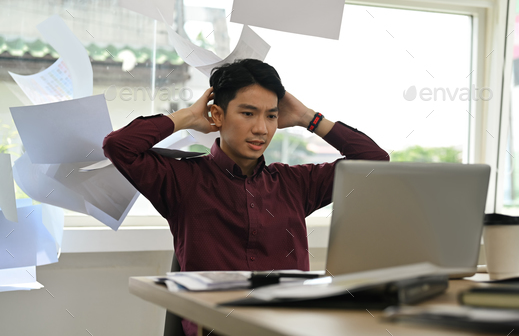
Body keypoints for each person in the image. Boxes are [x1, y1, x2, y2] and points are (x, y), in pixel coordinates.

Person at [102, 58, 390, 336]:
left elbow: (374, 160)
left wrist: (307, 118)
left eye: (271, 116)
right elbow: (119, 146)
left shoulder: (296, 183)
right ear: (217, 115)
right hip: (217, 329)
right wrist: (188, 117)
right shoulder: (181, 180)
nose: (261, 129)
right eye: (248, 113)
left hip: (289, 326)